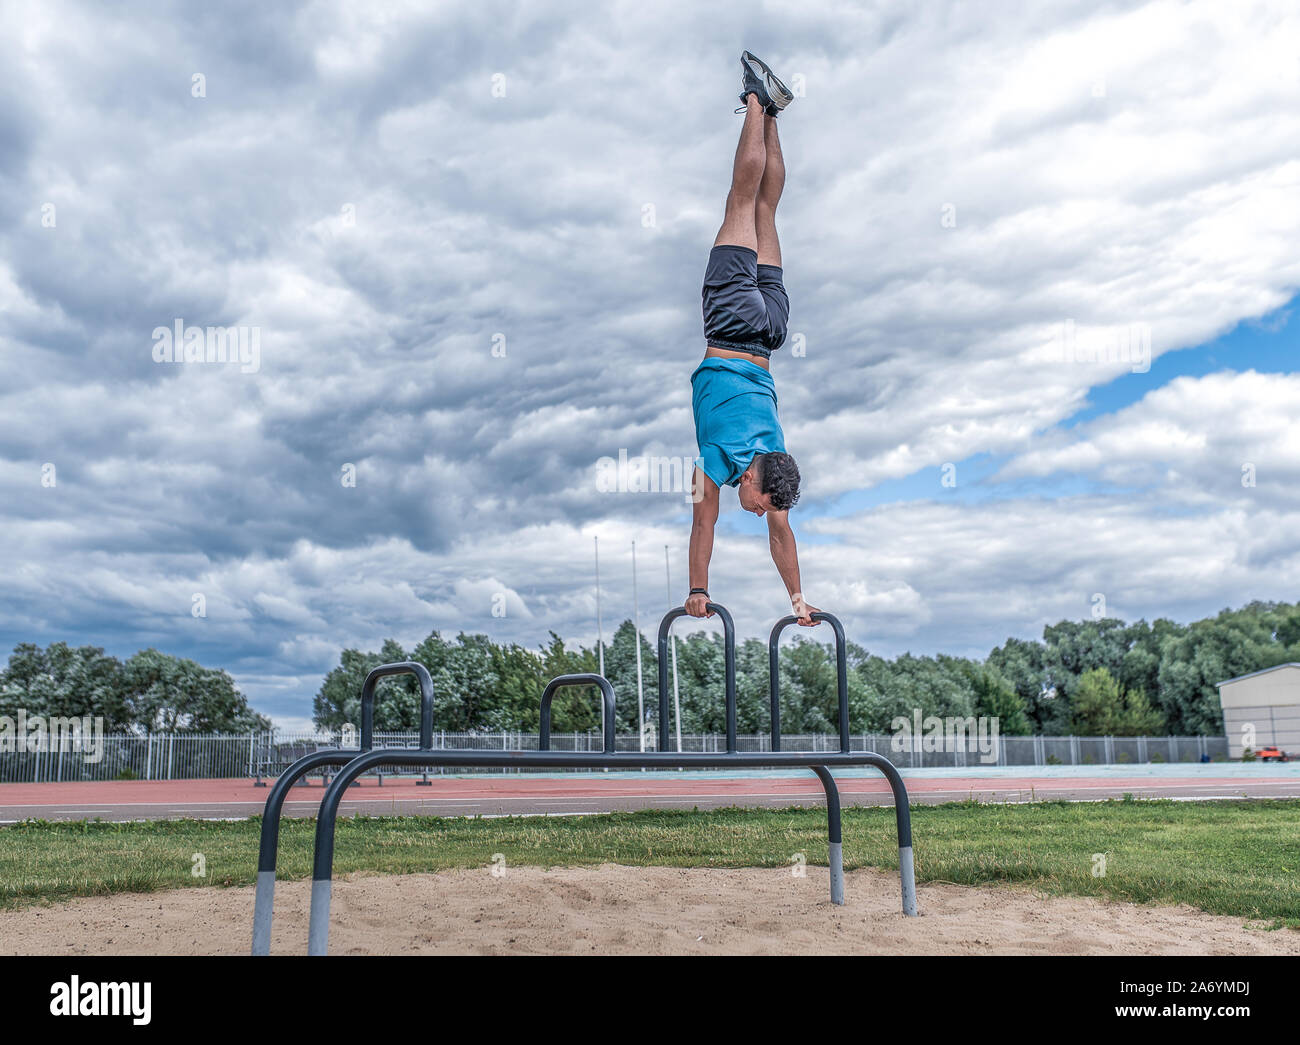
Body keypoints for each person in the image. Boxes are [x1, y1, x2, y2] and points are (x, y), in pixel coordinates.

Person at [686, 52, 819, 628]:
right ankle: (756, 101)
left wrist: (798, 604)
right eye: (761, 505)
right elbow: (701, 523)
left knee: (767, 207)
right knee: (743, 201)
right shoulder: (717, 466)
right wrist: (697, 589)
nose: (757, 513)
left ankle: (773, 118)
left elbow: (781, 540)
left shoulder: (776, 452)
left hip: (770, 334)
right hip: (733, 326)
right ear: (754, 478)